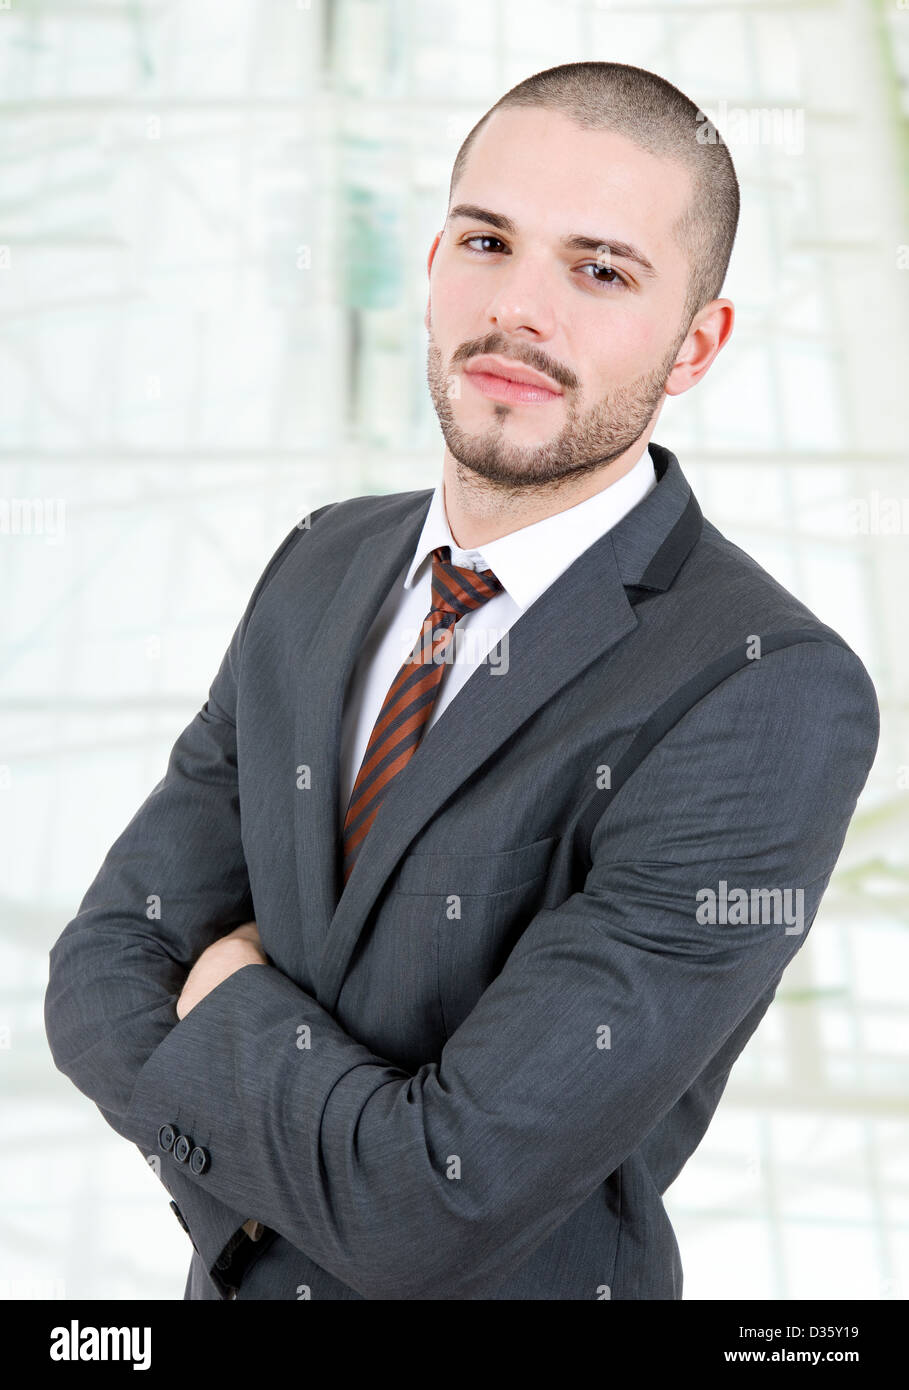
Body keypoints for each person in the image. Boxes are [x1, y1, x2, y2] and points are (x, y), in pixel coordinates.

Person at [45, 61, 879, 1301]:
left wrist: (222, 1006)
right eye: (490, 241)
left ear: (696, 344)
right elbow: (101, 973)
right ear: (434, 262)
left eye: (601, 270)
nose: (521, 311)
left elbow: (440, 1199)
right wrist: (317, 1164)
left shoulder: (766, 688)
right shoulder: (320, 561)